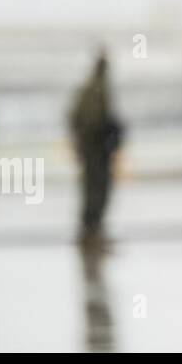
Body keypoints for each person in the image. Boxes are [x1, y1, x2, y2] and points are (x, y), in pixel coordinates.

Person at [69, 50, 124, 243]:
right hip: (95, 147)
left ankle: (92, 224)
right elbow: (86, 120)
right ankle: (91, 225)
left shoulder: (93, 88)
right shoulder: (95, 89)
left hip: (94, 146)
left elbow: (76, 118)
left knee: (94, 185)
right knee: (96, 185)